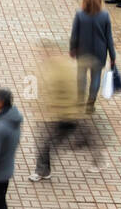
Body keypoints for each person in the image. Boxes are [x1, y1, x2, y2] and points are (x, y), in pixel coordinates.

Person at [31, 45, 96, 181]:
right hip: (59, 115)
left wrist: (62, 110)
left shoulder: (63, 70)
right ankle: (97, 157)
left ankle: (43, 171)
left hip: (65, 116)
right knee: (79, 137)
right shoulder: (49, 68)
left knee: (47, 143)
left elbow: (70, 93)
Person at [70, 0, 117, 113]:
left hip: (83, 51)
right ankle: (91, 103)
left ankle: (80, 99)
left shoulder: (79, 14)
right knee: (96, 77)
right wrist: (113, 56)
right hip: (99, 53)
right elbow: (109, 38)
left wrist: (72, 49)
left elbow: (74, 35)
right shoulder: (105, 16)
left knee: (81, 76)